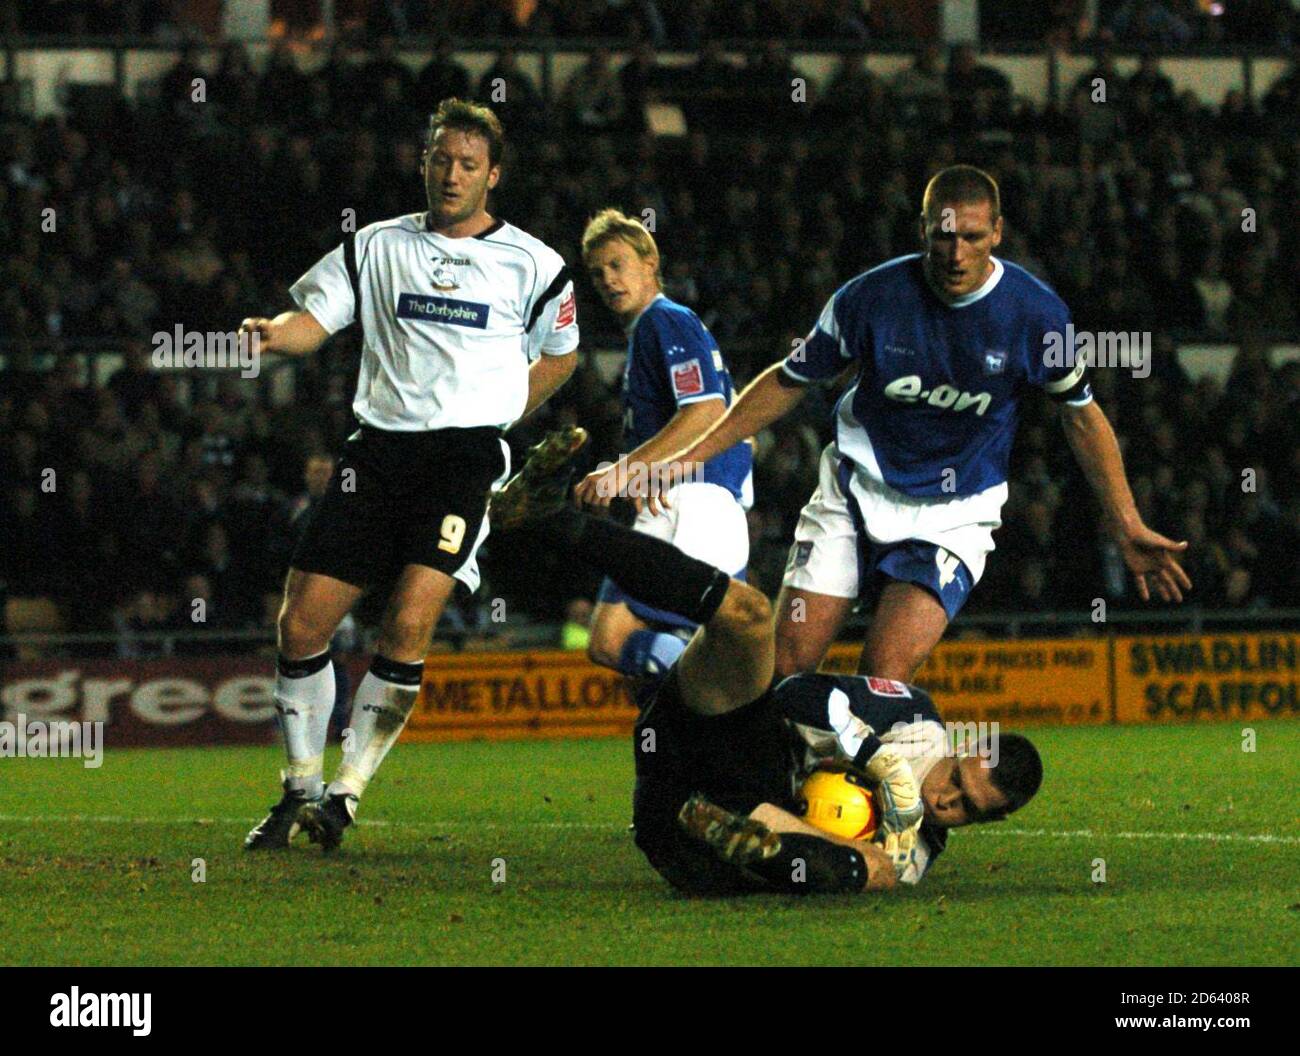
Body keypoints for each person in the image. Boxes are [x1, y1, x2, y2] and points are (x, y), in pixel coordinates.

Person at [646, 165, 1191, 683]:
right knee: (785, 667)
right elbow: (790, 381)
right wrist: (691, 456)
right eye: (944, 237)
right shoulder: (870, 298)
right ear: (924, 231)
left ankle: (862, 774)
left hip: (953, 513)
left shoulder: (1037, 316)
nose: (957, 254)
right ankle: (766, 777)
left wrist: (1125, 524)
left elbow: (1082, 417)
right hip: (855, 490)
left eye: (973, 237)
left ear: (997, 233)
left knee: (882, 678)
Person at [239, 99, 580, 852]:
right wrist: (271, 337)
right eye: (439, 158)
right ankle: (297, 788)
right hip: (377, 454)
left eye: (467, 164)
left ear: (494, 175)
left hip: (461, 459)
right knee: (300, 624)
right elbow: (312, 324)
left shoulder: (537, 264)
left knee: (408, 621)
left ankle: (347, 793)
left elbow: (562, 353)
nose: (450, 174)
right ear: (423, 161)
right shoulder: (373, 246)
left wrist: (502, 411)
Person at [494, 433, 1043, 894]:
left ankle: (733, 833)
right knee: (749, 613)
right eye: (957, 784)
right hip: (724, 732)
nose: (945, 802)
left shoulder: (919, 845)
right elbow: (795, 693)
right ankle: (549, 517)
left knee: (875, 872)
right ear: (966, 750)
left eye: (966, 810)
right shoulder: (914, 720)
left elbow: (890, 868)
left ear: (985, 820)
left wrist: (853, 845)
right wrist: (876, 756)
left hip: (688, 823)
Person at [573, 208, 752, 679]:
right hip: (690, 503)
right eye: (597, 273)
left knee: (612, 639)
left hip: (693, 501)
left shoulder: (664, 320)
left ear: (649, 262)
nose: (608, 279)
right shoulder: (652, 331)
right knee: (666, 649)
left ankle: (736, 715)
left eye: (617, 264)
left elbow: (705, 410)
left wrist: (623, 470)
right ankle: (710, 731)